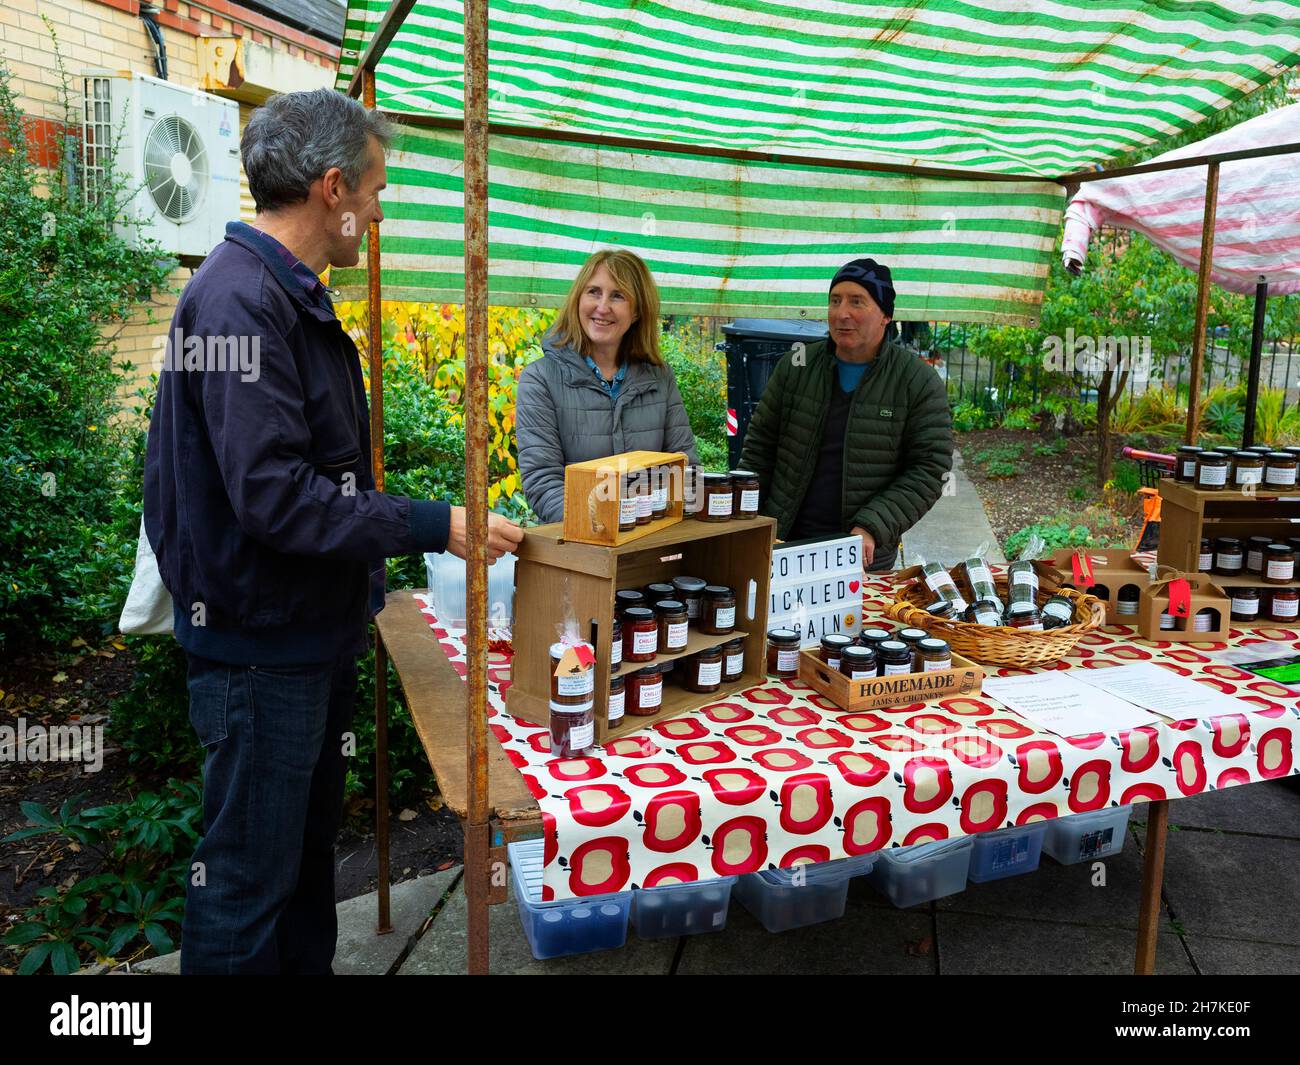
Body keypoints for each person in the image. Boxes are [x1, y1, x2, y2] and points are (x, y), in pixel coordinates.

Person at [143, 88, 523, 974]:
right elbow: (276, 499)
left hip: (294, 640)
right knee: (244, 889)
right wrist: (438, 525)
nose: (379, 210)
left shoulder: (277, 293)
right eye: (377, 189)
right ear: (331, 188)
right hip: (259, 653)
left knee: (297, 875)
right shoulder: (241, 302)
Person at [738, 258, 953, 571]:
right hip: (785, 543)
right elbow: (759, 448)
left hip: (861, 552)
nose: (842, 313)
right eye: (835, 300)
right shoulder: (797, 366)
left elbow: (929, 469)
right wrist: (745, 518)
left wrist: (873, 526)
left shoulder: (916, 381)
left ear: (885, 315)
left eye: (857, 302)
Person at [516, 249, 699, 523]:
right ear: (578, 298)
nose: (602, 307)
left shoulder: (659, 378)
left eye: (617, 296)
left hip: (650, 542)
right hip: (578, 550)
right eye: (593, 292)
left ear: (636, 311)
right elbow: (544, 484)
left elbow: (686, 472)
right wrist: (603, 527)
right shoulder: (540, 379)